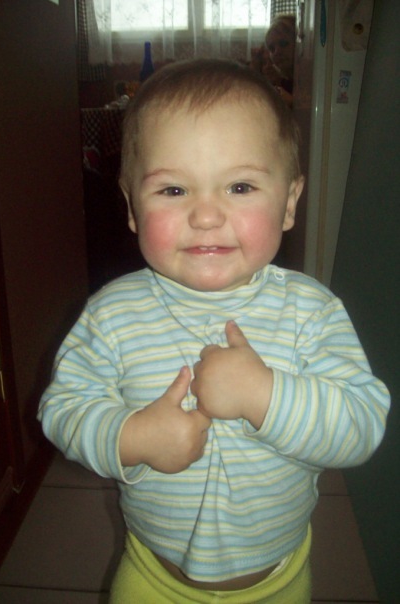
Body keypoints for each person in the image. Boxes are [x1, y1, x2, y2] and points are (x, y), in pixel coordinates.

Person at [38, 59, 390, 603]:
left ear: (289, 202)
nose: (206, 216)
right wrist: (130, 436)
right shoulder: (111, 316)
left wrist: (266, 395)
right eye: (174, 190)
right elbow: (63, 408)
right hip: (152, 578)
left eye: (240, 186)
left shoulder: (312, 312)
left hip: (278, 582)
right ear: (131, 206)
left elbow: (362, 424)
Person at [264, 15, 296, 106]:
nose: (276, 52)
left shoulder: (312, 79)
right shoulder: (283, 82)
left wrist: (292, 102)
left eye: (283, 44)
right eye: (272, 48)